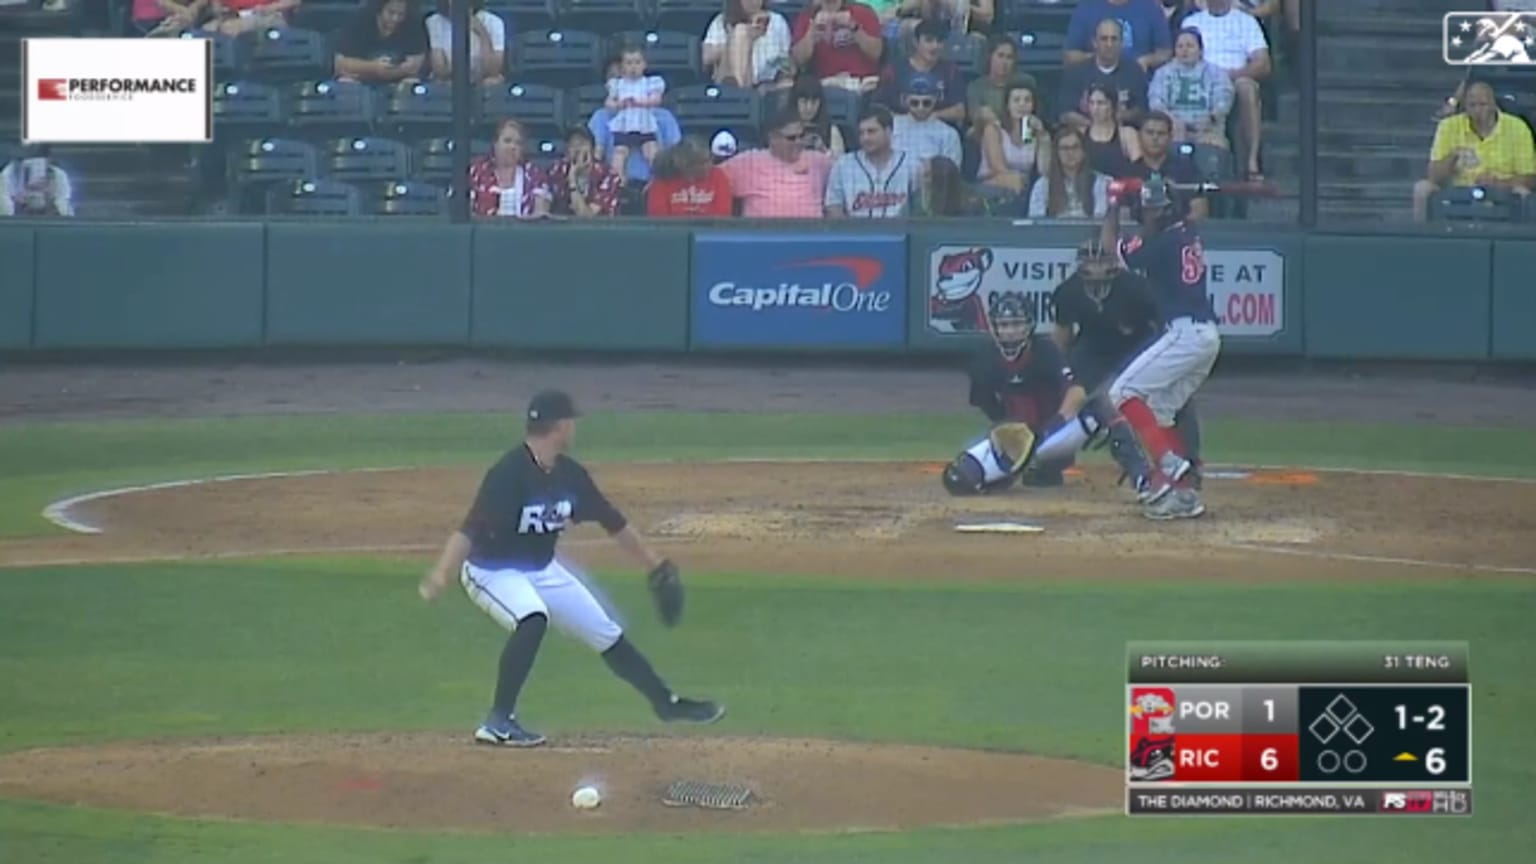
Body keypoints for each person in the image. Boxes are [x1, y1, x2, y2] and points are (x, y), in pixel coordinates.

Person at [418, 390, 725, 747]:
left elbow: (613, 522)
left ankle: (666, 704)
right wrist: (442, 573)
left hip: (542, 569)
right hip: (492, 571)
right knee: (532, 617)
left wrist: (653, 563)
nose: (574, 428)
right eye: (571, 422)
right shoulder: (508, 474)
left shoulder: (570, 476)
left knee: (605, 631)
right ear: (560, 426)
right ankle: (499, 721)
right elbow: (470, 528)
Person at [1100, 176, 1218, 520]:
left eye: (1155, 210)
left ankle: (1173, 469)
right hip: (1204, 336)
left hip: (1187, 333)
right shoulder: (1186, 231)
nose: (1150, 216)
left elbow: (1110, 250)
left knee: (1122, 392)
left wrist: (1112, 204)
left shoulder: (1161, 243)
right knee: (1162, 411)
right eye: (1149, 210)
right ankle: (1185, 496)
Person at [1047, 236, 1202, 497]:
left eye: (1102, 259)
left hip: (1138, 346)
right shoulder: (1068, 292)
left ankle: (1190, 462)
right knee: (1085, 403)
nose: (1096, 267)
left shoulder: (1138, 289)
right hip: (1093, 350)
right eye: (1090, 260)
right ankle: (1049, 459)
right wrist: (1065, 375)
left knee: (1179, 398)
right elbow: (1060, 339)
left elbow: (1163, 327)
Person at [939, 291, 1088, 495]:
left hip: (1054, 432)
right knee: (960, 478)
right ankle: (1013, 468)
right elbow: (984, 401)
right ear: (994, 328)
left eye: (1016, 324)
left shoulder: (1046, 350)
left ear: (1029, 326)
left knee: (1097, 415)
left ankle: (1140, 476)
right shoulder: (984, 359)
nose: (1010, 332)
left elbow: (1077, 392)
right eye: (1004, 325)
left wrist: (1055, 425)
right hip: (1017, 435)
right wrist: (1005, 426)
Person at [1413, 81, 1536, 222]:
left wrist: (1498, 183)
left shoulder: (1517, 127)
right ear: (1465, 107)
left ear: (1493, 105)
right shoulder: (1448, 126)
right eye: (1472, 105)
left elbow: (1530, 179)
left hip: (1503, 193)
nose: (1478, 110)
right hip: (1458, 191)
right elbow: (1433, 176)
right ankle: (1425, 240)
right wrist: (1453, 156)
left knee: (1522, 193)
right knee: (1422, 189)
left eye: (1483, 105)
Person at [1179, 0, 1270, 179]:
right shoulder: (1192, 22)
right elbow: (1182, 58)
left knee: (1248, 88)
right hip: (1200, 79)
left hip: (1235, 78)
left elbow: (1264, 64)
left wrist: (1230, 75)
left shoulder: (1246, 21)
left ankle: (1252, 160)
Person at [719, 108, 834, 217]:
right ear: (773, 138)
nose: (799, 142)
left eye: (802, 136)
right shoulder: (749, 162)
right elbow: (710, 176)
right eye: (791, 138)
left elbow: (844, 180)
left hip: (812, 235)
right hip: (763, 234)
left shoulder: (819, 162)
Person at [825, 104, 923, 218]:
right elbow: (833, 204)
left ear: (888, 131)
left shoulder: (911, 164)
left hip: (900, 233)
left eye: (871, 131)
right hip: (856, 233)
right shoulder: (844, 165)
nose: (865, 138)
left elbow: (921, 207)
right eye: (861, 133)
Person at [1148, 28, 1234, 151]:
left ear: (1201, 50)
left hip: (1208, 128)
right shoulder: (1163, 73)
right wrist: (1172, 121)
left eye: (1190, 46)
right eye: (1180, 46)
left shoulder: (1216, 73)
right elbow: (1155, 101)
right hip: (1173, 129)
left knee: (1214, 145)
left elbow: (1224, 99)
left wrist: (1210, 118)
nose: (1185, 50)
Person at [1058, 18, 1150, 131]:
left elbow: (1141, 110)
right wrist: (1094, 125)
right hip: (1084, 133)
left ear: (1121, 43)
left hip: (1123, 133)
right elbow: (1064, 113)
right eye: (1104, 39)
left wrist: (1115, 119)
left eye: (1114, 39)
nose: (1109, 44)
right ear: (1094, 42)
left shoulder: (1134, 71)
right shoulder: (1076, 72)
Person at [1130, 111, 1209, 221]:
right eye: (1150, 132)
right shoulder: (1129, 171)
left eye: (1161, 133)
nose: (1155, 138)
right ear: (1139, 136)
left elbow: (1200, 209)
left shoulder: (1187, 169)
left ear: (1170, 137)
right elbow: (1123, 216)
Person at [790, 0, 884, 93]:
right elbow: (798, 60)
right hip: (825, 86)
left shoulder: (863, 12)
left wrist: (854, 28)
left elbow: (877, 53)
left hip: (862, 83)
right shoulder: (808, 16)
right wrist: (810, 35)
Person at [605, 43, 667, 181]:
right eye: (629, 63)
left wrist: (641, 102)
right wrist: (618, 104)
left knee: (651, 151)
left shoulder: (650, 83)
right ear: (622, 66)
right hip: (624, 125)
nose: (633, 67)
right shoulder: (617, 84)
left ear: (644, 64)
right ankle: (618, 181)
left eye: (637, 62)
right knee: (619, 153)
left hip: (644, 124)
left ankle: (656, 181)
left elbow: (657, 100)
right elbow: (608, 103)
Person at [467, 118, 552, 219]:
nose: (513, 146)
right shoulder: (476, 172)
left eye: (518, 143)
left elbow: (541, 215)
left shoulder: (535, 174)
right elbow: (465, 213)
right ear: (495, 144)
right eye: (507, 141)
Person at [977, 80, 1050, 198]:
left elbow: (1044, 170)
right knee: (1016, 182)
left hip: (1022, 186)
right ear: (1007, 105)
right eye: (1016, 100)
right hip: (992, 183)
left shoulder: (1031, 131)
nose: (1022, 104)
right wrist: (1019, 179)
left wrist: (1043, 136)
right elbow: (998, 167)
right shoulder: (995, 129)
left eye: (1027, 100)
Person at [703, 0, 794, 90]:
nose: (754, 1)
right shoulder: (722, 21)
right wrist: (735, 40)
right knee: (740, 31)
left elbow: (786, 63)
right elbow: (706, 57)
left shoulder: (777, 21)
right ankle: (743, 96)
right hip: (731, 83)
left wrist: (772, 84)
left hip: (766, 86)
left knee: (788, 83)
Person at [334, 0, 427, 84]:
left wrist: (395, 71)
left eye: (400, 14)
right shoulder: (359, 20)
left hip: (398, 78)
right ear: (379, 9)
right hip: (362, 76)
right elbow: (341, 63)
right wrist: (373, 67)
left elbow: (415, 64)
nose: (395, 18)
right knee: (346, 82)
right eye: (391, 13)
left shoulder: (414, 24)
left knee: (413, 83)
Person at [1028, 126, 1112, 219]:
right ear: (1056, 153)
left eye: (1075, 147)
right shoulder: (1043, 185)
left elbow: (1100, 219)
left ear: (1083, 151)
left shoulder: (1099, 182)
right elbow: (1036, 222)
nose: (1070, 153)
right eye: (1064, 148)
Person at [1064, 0, 1172, 71]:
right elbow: (1071, 56)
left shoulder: (1151, 8)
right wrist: (1100, 60)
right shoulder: (1086, 8)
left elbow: (1165, 53)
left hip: (1139, 83)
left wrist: (1146, 61)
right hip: (1095, 83)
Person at [646, 136, 735, 216]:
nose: (708, 165)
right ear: (685, 165)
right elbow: (659, 218)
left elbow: (723, 215)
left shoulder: (718, 176)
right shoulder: (663, 179)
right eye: (702, 163)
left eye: (709, 160)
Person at [426, 0, 506, 87]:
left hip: (482, 78)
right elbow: (440, 69)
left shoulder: (494, 22)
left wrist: (482, 34)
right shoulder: (434, 21)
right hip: (449, 79)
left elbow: (493, 69)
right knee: (440, 83)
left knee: (493, 81)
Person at [546, 127, 622, 218]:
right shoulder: (556, 171)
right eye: (572, 145)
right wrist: (572, 174)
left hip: (600, 229)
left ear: (592, 149)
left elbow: (586, 217)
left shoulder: (608, 175)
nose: (577, 149)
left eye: (582, 144)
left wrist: (572, 181)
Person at [891, 75, 964, 168]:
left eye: (926, 103)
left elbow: (951, 173)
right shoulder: (892, 127)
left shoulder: (948, 133)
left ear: (935, 100)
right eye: (914, 103)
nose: (920, 108)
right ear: (904, 100)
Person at [1082, 83, 1141, 180]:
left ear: (1112, 105)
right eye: (1092, 103)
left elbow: (1138, 169)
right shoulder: (1081, 133)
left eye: (1101, 103)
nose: (1095, 108)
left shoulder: (1127, 134)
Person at [0, 144, 74, 217]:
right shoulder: (8, 175)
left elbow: (66, 216)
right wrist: (19, 201)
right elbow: (5, 216)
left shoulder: (57, 175)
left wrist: (50, 199)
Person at [786, 74, 847, 156]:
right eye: (804, 102)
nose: (809, 107)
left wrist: (822, 149)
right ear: (795, 102)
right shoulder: (783, 130)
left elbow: (839, 164)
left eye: (814, 102)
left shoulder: (832, 130)